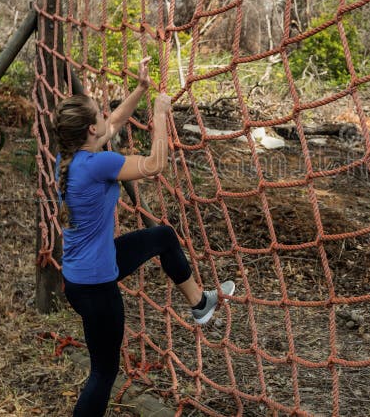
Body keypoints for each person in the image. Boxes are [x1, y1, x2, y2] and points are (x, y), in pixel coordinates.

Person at [53, 58, 235, 417]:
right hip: (97, 287)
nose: (107, 117)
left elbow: (115, 122)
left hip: (82, 274)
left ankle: (200, 304)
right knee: (104, 374)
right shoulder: (98, 165)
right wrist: (161, 114)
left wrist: (140, 88)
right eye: (99, 114)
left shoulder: (72, 156)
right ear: (91, 130)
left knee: (163, 236)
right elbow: (154, 165)